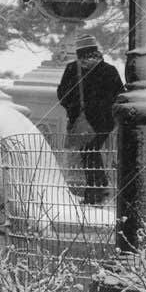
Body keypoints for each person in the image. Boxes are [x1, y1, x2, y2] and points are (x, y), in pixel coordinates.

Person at [56, 33, 123, 204]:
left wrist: (74, 111)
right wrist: (106, 113)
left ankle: (97, 190)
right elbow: (119, 96)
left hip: (81, 120)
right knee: (91, 153)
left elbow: (63, 94)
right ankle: (98, 189)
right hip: (103, 122)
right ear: (95, 50)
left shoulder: (72, 69)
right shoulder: (109, 70)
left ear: (78, 52)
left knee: (88, 154)